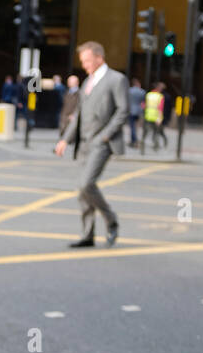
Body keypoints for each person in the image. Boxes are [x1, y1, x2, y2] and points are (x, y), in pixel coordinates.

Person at [55, 40, 129, 248]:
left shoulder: (117, 79)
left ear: (99, 57)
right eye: (83, 61)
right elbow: (78, 115)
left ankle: (111, 220)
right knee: (83, 191)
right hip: (84, 143)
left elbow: (123, 111)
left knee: (86, 183)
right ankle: (87, 235)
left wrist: (105, 136)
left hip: (102, 143)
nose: (85, 64)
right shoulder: (88, 81)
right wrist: (65, 139)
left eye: (87, 60)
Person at [142, 83, 166, 150]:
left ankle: (142, 144)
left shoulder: (148, 95)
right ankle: (155, 146)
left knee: (146, 132)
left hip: (148, 116)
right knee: (156, 132)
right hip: (156, 117)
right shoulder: (160, 96)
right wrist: (159, 118)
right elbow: (160, 108)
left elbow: (143, 105)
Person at [57, 74, 80, 140]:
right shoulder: (67, 92)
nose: (69, 83)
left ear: (76, 83)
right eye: (69, 81)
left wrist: (74, 114)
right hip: (64, 116)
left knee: (71, 135)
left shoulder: (79, 93)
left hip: (72, 117)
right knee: (63, 133)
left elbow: (79, 105)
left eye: (71, 82)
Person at [127, 77, 144, 147]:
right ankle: (134, 139)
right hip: (138, 111)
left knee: (132, 127)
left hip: (130, 110)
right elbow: (143, 102)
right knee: (136, 127)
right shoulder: (142, 91)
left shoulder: (129, 91)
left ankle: (134, 140)